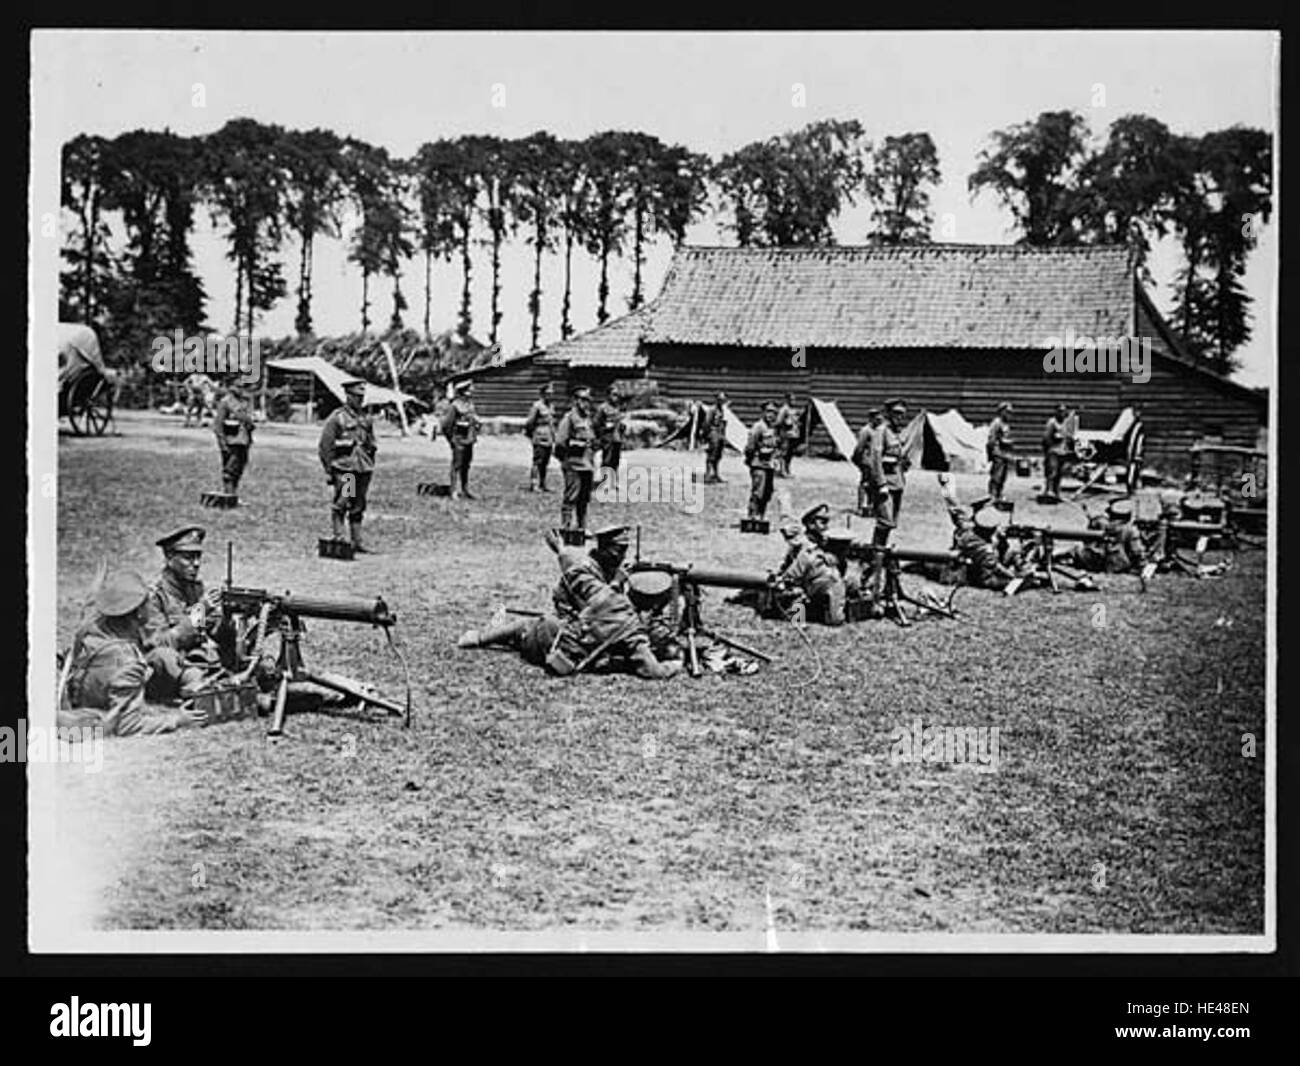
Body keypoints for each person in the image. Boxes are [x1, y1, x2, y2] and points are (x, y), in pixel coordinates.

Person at [456, 526, 683, 679]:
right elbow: (651, 669)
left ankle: (480, 638)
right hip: (566, 629)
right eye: (618, 551)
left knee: (529, 628)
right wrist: (674, 665)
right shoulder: (629, 626)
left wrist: (561, 549)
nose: (622, 557)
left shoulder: (613, 598)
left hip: (562, 633)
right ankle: (480, 638)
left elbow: (577, 574)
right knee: (530, 629)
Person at [62, 570, 209, 736]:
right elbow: (129, 726)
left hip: (86, 695)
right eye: (146, 602)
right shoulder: (127, 662)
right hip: (101, 709)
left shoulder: (90, 630)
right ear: (139, 613)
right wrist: (176, 719)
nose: (150, 604)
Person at [140, 526, 232, 701]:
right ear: (169, 557)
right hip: (166, 671)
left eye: (198, 557)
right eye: (188, 558)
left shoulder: (195, 589)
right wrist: (199, 614)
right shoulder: (154, 597)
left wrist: (227, 620)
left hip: (198, 661)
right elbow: (158, 644)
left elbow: (212, 634)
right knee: (166, 658)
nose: (196, 564)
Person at [318, 378, 378, 551]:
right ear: (348, 396)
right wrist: (329, 470)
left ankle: (356, 541)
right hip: (347, 470)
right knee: (343, 501)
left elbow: (371, 442)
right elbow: (325, 446)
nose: (360, 399)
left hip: (363, 468)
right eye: (356, 396)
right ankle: (339, 537)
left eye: (362, 396)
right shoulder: (338, 418)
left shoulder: (366, 418)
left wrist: (370, 458)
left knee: (359, 504)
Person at [775, 503, 855, 626]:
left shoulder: (822, 541)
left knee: (851, 582)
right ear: (811, 524)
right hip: (800, 586)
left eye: (827, 521)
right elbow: (791, 573)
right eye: (822, 522)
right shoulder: (804, 544)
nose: (826, 526)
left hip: (812, 586)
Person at [555, 385, 597, 530]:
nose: (586, 404)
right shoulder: (569, 419)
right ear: (575, 401)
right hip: (573, 464)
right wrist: (567, 459)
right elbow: (560, 442)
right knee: (571, 497)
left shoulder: (588, 419)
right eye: (583, 400)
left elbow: (593, 440)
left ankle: (582, 528)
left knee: (584, 499)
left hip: (587, 464)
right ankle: (565, 528)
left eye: (588, 401)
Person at [1070, 498, 1149, 573]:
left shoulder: (1100, 523)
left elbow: (1087, 541)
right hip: (1117, 565)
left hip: (1094, 561)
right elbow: (1137, 551)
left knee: (1078, 548)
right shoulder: (1130, 529)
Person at [211, 376, 256, 495]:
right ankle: (229, 497)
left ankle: (233, 495)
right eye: (237, 386)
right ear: (230, 387)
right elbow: (218, 426)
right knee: (229, 472)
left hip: (243, 441)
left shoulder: (244, 402)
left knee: (238, 470)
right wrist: (222, 444)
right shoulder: (225, 402)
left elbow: (249, 422)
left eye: (242, 387)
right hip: (231, 441)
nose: (240, 389)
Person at [441, 380, 481, 499]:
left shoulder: (470, 405)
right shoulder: (455, 406)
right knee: (456, 466)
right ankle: (453, 491)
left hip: (469, 440)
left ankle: (465, 490)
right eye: (470, 389)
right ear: (464, 391)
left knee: (466, 466)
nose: (472, 391)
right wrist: (451, 440)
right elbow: (446, 425)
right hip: (459, 440)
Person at [744, 403, 780, 521]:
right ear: (763, 412)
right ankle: (752, 515)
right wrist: (751, 460)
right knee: (758, 492)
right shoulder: (758, 427)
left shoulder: (772, 428)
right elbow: (750, 446)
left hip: (769, 465)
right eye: (768, 412)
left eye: (774, 413)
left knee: (767, 492)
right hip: (758, 464)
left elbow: (775, 446)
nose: (771, 415)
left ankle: (761, 515)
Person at [523, 382, 557, 493]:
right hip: (539, 436)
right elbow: (529, 422)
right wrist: (532, 434)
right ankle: (534, 484)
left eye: (552, 393)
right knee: (538, 461)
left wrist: (554, 436)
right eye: (548, 393)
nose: (550, 395)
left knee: (545, 462)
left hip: (549, 437)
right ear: (542, 394)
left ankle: (543, 483)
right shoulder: (537, 406)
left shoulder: (551, 406)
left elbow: (552, 423)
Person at [852, 405, 883, 514]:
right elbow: (859, 447)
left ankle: (870, 507)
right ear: (871, 418)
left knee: (874, 484)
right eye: (877, 419)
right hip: (866, 461)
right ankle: (861, 507)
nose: (879, 421)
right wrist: (857, 459)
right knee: (865, 483)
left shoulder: (879, 431)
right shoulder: (865, 431)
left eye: (880, 419)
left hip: (876, 462)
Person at [593, 385, 626, 486]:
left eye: (617, 395)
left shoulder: (617, 408)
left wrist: (622, 426)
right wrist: (605, 428)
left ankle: (613, 481)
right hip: (607, 438)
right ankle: (604, 481)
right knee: (607, 460)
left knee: (615, 460)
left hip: (617, 438)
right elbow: (596, 423)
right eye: (614, 395)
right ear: (608, 395)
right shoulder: (603, 408)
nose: (616, 397)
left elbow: (620, 421)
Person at [986, 402, 1015, 507]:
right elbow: (991, 439)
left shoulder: (1006, 424)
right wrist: (991, 453)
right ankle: (992, 495)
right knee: (996, 476)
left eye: (1010, 413)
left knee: (1003, 476)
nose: (1009, 414)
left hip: (1005, 454)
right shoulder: (996, 423)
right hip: (998, 452)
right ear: (1001, 411)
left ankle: (999, 494)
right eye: (1007, 412)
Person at [1042, 402, 1070, 502]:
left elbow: (1068, 437)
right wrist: (1048, 449)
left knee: (1060, 473)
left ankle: (1057, 492)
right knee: (1052, 472)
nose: (1062, 413)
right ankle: (1049, 491)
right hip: (1053, 451)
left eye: (1064, 411)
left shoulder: (1066, 423)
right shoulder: (1052, 422)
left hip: (1062, 451)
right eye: (1060, 411)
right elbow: (1046, 438)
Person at [703, 392, 729, 484]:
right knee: (711, 456)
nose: (722, 402)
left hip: (720, 435)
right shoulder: (712, 410)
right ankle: (707, 476)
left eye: (723, 400)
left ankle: (715, 475)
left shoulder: (721, 410)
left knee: (718, 456)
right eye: (720, 400)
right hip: (713, 434)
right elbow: (707, 423)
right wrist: (707, 436)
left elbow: (722, 423)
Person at [774, 393, 799, 478]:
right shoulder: (783, 410)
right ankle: (782, 471)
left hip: (793, 435)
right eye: (791, 399)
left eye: (794, 399)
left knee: (789, 454)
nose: (793, 401)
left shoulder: (793, 410)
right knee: (783, 454)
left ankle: (788, 471)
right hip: (785, 435)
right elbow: (778, 422)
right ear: (787, 400)